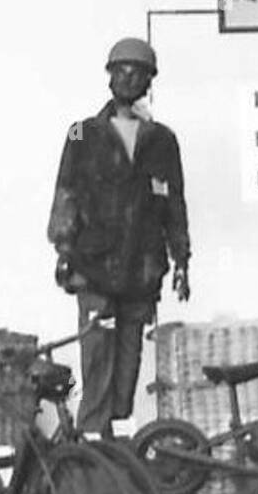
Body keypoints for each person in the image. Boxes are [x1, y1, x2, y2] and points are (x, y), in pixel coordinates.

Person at [46, 37, 192, 435]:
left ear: (149, 80)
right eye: (121, 70)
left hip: (142, 267)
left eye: (138, 72)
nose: (129, 78)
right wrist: (63, 249)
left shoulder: (163, 140)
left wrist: (182, 259)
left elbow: (173, 201)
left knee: (128, 363)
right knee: (97, 359)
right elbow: (66, 193)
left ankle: (115, 443)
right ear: (109, 76)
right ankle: (91, 447)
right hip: (94, 265)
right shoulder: (81, 134)